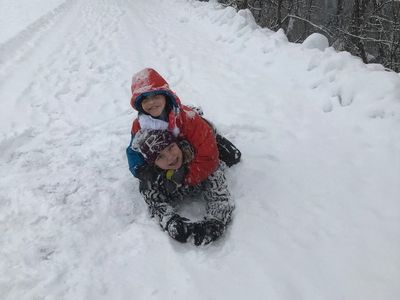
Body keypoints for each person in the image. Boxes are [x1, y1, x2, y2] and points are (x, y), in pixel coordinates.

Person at [126, 68, 241, 188]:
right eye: (145, 100)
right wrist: (142, 171)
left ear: (166, 96)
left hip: (197, 140)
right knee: (148, 183)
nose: (151, 103)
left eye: (156, 96)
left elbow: (208, 157)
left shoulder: (187, 119)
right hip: (169, 154)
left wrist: (185, 177)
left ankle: (219, 196)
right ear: (139, 105)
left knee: (230, 157)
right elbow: (134, 150)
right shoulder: (139, 125)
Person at [132, 129, 234, 245]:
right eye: (160, 157)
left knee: (233, 157)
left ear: (178, 144)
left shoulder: (203, 160)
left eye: (171, 147)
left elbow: (220, 195)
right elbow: (155, 204)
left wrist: (216, 221)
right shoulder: (150, 179)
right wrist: (171, 222)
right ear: (153, 163)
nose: (170, 158)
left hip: (206, 141)